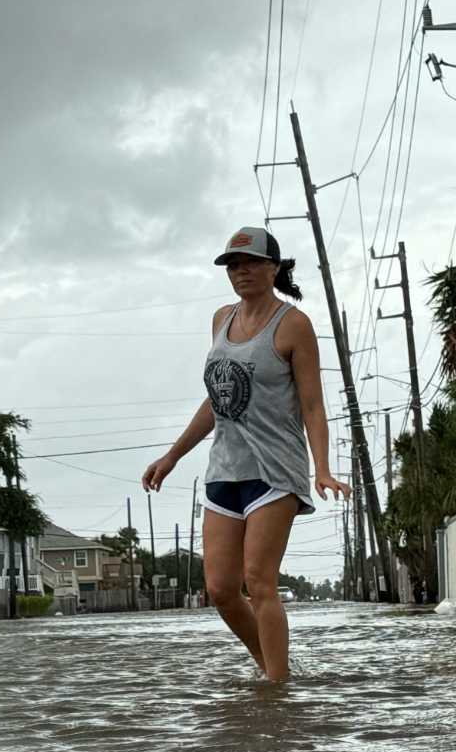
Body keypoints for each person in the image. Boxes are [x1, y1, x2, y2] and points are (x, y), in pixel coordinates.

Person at [143, 226, 349, 681]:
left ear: (274, 268)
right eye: (234, 266)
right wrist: (172, 456)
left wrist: (323, 469)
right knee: (220, 588)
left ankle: (277, 692)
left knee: (259, 582)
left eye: (252, 263)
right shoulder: (221, 319)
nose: (242, 272)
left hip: (275, 470)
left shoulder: (293, 324)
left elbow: (313, 404)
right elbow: (217, 400)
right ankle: (274, 669)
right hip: (225, 469)